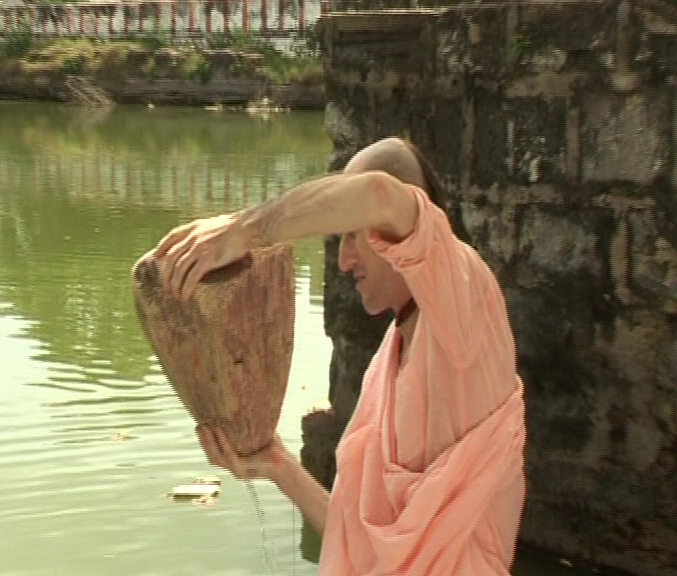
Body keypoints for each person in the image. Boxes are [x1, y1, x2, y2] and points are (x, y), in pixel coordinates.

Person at [154, 137, 526, 575]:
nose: (345, 261)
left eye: (352, 234)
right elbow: (361, 547)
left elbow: (377, 194)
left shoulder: (468, 308)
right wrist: (278, 465)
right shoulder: (390, 358)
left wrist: (244, 231)